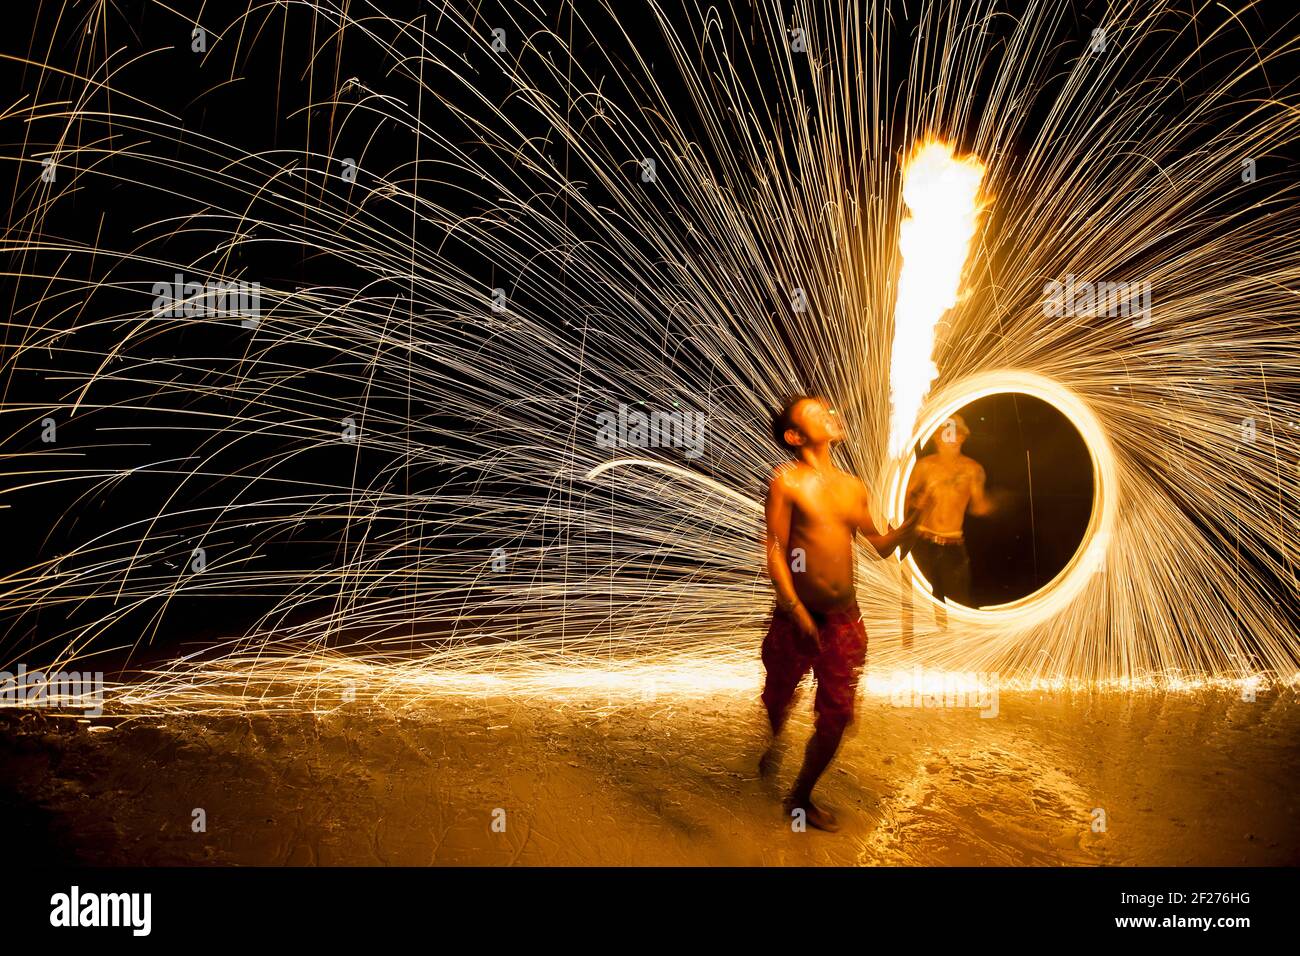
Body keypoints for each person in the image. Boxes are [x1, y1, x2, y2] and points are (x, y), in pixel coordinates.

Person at [759, 395, 920, 831]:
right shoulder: (787, 481)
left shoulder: (853, 487)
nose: (830, 412)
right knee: (778, 695)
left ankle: (801, 796)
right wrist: (795, 610)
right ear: (795, 436)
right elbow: (775, 551)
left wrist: (910, 525)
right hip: (795, 616)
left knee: (837, 717)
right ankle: (773, 739)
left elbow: (880, 546)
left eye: (828, 408)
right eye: (816, 411)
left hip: (844, 621)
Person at [904, 413, 996, 626]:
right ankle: (917, 650)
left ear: (963, 436)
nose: (949, 436)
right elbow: (904, 498)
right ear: (936, 437)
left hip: (952, 544)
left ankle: (954, 650)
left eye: (954, 431)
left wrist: (995, 504)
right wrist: (916, 504)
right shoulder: (924, 466)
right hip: (922, 543)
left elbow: (979, 506)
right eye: (943, 431)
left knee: (957, 605)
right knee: (918, 605)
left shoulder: (972, 469)